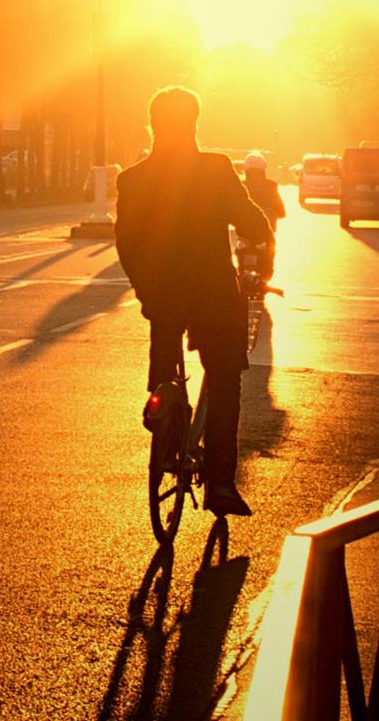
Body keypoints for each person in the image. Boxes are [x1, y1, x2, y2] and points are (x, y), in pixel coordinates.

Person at [115, 87, 272, 516]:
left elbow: (126, 243)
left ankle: (162, 414)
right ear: (194, 124)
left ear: (152, 125)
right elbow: (253, 223)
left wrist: (146, 291)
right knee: (224, 379)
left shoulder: (132, 179)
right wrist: (258, 230)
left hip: (163, 294)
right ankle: (220, 483)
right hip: (212, 294)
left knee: (164, 362)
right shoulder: (216, 169)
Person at [240, 152, 286, 283]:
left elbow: (229, 205)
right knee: (269, 251)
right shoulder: (271, 187)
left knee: (238, 249)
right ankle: (264, 275)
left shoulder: (240, 186)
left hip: (243, 233)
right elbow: (281, 211)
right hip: (265, 232)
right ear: (263, 169)